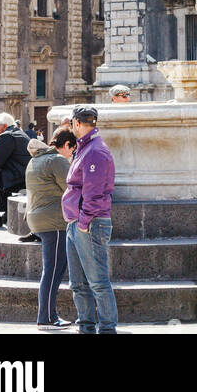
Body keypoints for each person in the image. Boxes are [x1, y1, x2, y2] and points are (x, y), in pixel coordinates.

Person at [62, 105, 117, 334]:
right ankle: (86, 327)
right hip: (77, 223)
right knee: (78, 284)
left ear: (76, 123)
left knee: (97, 283)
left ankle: (106, 329)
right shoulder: (86, 148)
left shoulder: (94, 151)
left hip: (89, 224)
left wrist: (83, 224)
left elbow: (95, 194)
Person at [25, 131, 78, 330]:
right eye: (72, 149)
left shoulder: (36, 160)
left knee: (52, 269)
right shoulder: (56, 160)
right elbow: (72, 187)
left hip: (39, 219)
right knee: (53, 270)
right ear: (66, 144)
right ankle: (46, 318)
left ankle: (49, 315)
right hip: (54, 222)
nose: (71, 154)